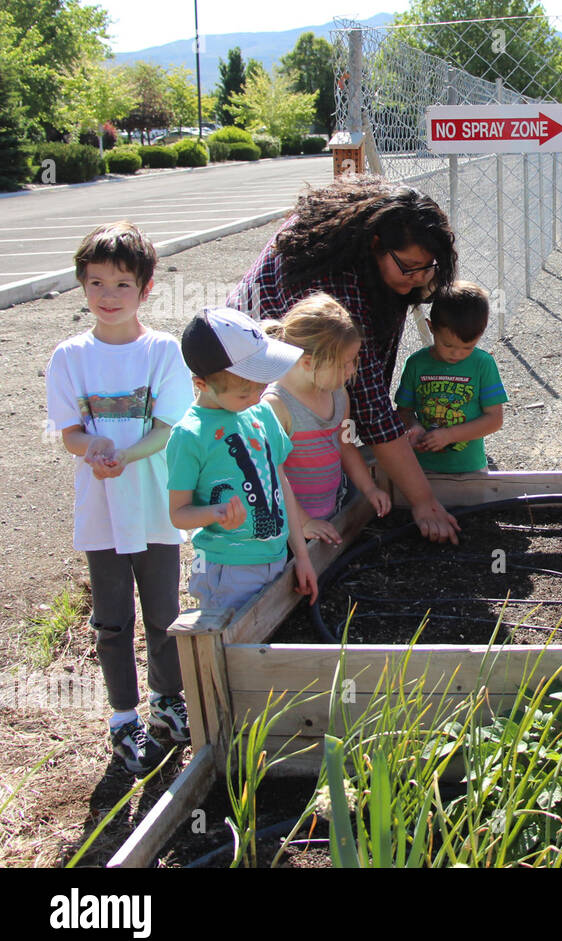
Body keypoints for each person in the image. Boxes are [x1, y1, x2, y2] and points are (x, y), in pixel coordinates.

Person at [229, 176, 461, 543]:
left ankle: (323, 500)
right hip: (249, 359)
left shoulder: (383, 254)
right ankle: (289, 524)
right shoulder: (335, 282)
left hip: (306, 358)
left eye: (427, 267)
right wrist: (424, 501)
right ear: (375, 245)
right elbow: (370, 403)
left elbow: (370, 375)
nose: (419, 279)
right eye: (409, 267)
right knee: (276, 447)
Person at [46, 222, 194, 775]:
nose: (108, 297)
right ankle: (120, 716)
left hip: (155, 504)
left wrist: (127, 457)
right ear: (82, 286)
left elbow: (165, 430)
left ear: (146, 289)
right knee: (111, 620)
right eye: (96, 284)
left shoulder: (162, 352)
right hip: (100, 509)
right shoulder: (70, 357)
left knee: (163, 612)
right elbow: (70, 434)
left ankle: (166, 700)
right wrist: (94, 448)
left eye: (122, 285)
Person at [167, 307, 318, 613]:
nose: (257, 395)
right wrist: (216, 512)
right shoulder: (189, 436)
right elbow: (179, 514)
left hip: (276, 557)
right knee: (230, 652)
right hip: (226, 569)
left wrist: (300, 555)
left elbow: (280, 481)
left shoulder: (261, 412)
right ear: (202, 385)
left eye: (261, 384)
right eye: (244, 392)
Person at [262, 292, 392, 543]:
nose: (352, 370)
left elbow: (344, 445)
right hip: (289, 530)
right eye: (344, 364)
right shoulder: (277, 406)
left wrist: (369, 488)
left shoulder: (339, 395)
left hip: (328, 517)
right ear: (309, 363)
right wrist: (304, 522)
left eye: (353, 361)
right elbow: (271, 476)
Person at [395, 281, 507, 474]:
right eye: (447, 345)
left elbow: (494, 419)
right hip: (422, 467)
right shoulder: (416, 364)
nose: (456, 354)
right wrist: (414, 427)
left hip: (470, 466)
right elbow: (403, 411)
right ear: (431, 327)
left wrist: (450, 435)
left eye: (467, 348)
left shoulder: (482, 364)